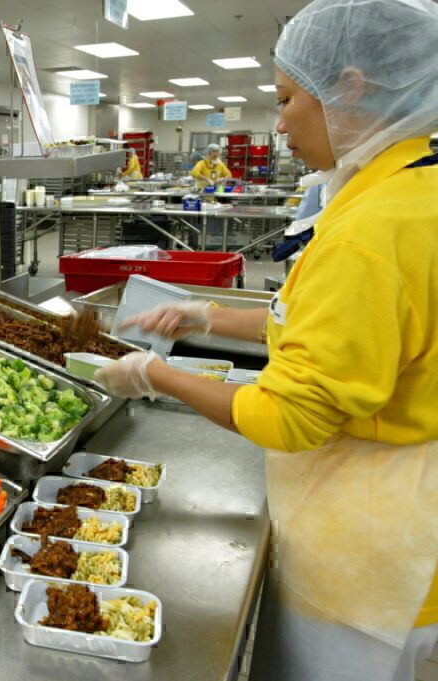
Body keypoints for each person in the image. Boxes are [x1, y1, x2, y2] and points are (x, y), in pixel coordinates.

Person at [96, 1, 438, 679]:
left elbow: (289, 414)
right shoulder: (408, 187)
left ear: (351, 86)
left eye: (285, 98)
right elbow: (324, 321)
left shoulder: (373, 229)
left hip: (359, 557)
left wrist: (155, 376)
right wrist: (205, 315)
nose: (277, 124)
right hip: (405, 524)